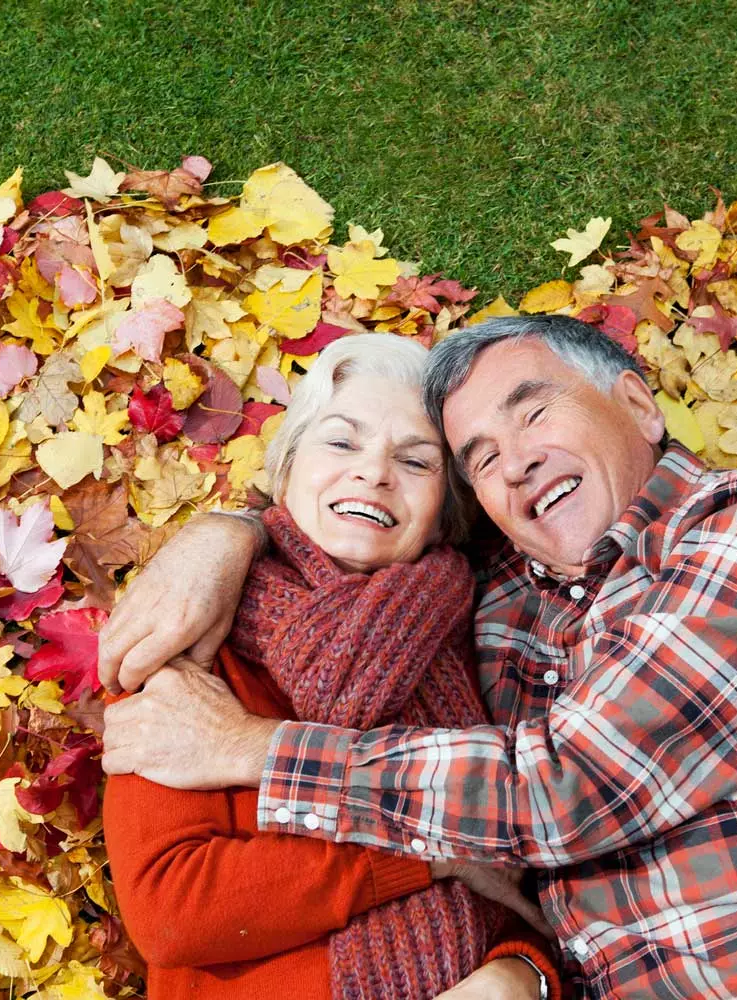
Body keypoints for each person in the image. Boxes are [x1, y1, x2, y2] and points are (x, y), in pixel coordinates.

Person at [101, 315, 737, 999]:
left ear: (639, 404)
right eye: (480, 457)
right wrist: (227, 531)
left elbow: (566, 791)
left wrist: (252, 748)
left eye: (533, 413)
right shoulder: (491, 615)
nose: (515, 462)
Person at [102, 334, 559, 1000]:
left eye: (416, 460)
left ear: (445, 514)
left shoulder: (488, 637)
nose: (375, 472)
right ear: (284, 474)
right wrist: (425, 852)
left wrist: (524, 977)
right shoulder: (191, 631)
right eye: (341, 443)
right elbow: (174, 910)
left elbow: (548, 874)